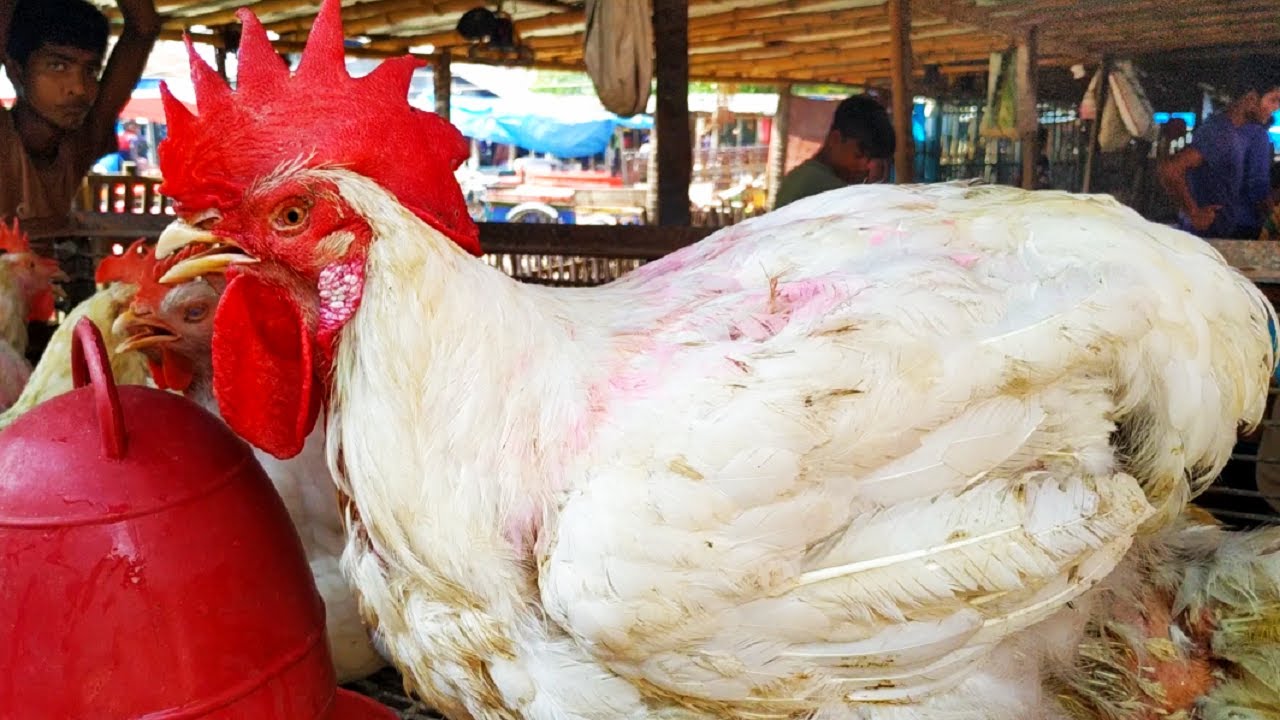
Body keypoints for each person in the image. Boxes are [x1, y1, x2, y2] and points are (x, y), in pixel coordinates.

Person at [0, 0, 160, 226]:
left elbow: (144, 29)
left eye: (91, 71)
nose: (80, 88)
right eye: (58, 66)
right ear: (16, 71)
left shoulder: (78, 145)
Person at [1158, 75, 1280, 239]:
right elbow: (1170, 169)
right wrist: (1194, 213)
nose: (1276, 108)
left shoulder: (1234, 131)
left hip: (1219, 233)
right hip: (1207, 238)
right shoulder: (1219, 132)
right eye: (1274, 100)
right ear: (1251, 98)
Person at [772, 94, 896, 211]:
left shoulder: (800, 177)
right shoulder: (824, 188)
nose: (865, 168)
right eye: (858, 155)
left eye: (871, 160)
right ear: (835, 139)